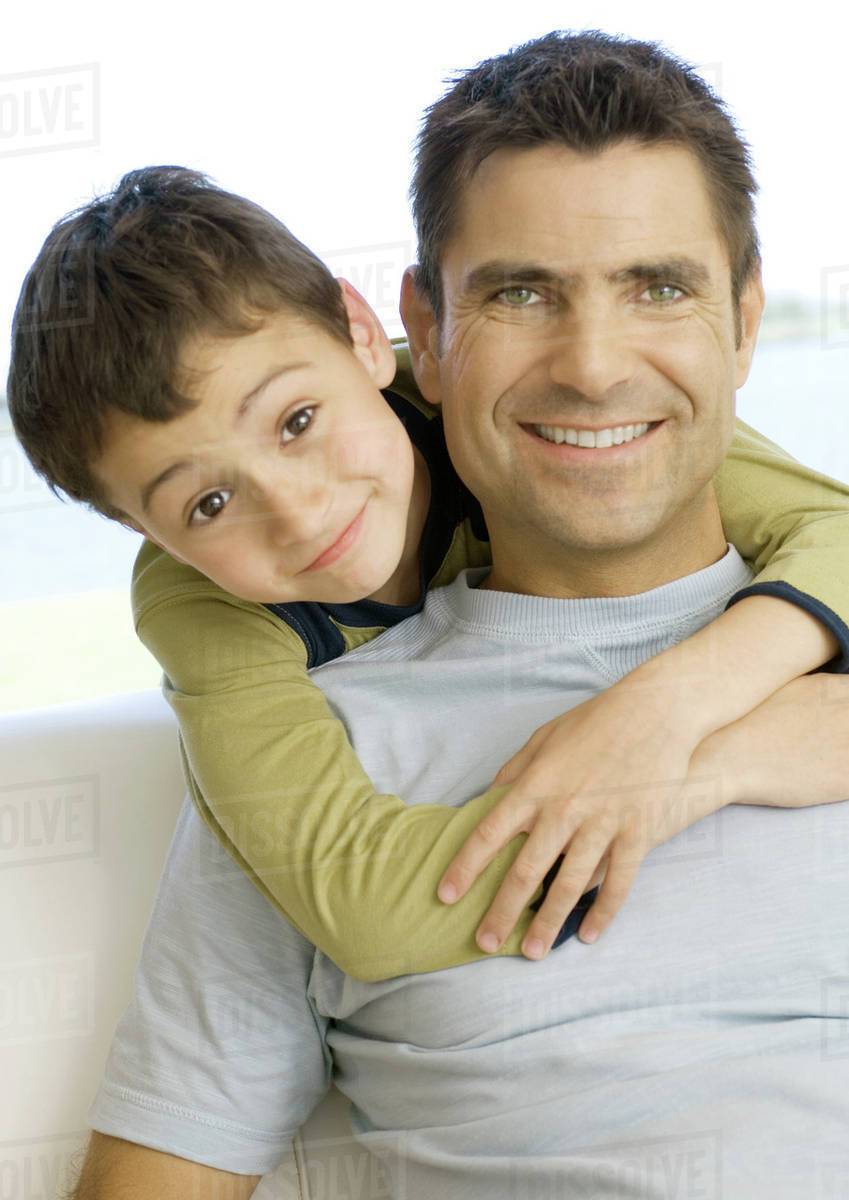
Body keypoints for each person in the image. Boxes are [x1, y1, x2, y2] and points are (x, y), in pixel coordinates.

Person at [52, 30, 849, 1198]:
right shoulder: (312, 761)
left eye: (660, 287)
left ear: (742, 320)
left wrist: (683, 736)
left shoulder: (805, 612)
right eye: (521, 292)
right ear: (423, 332)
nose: (593, 367)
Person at [8, 146, 849, 979]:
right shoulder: (199, 607)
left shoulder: (510, 415)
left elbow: (830, 529)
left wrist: (663, 710)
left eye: (297, 420)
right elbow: (364, 908)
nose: (299, 514)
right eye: (208, 505)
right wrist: (711, 764)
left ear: (362, 335)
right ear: (141, 529)